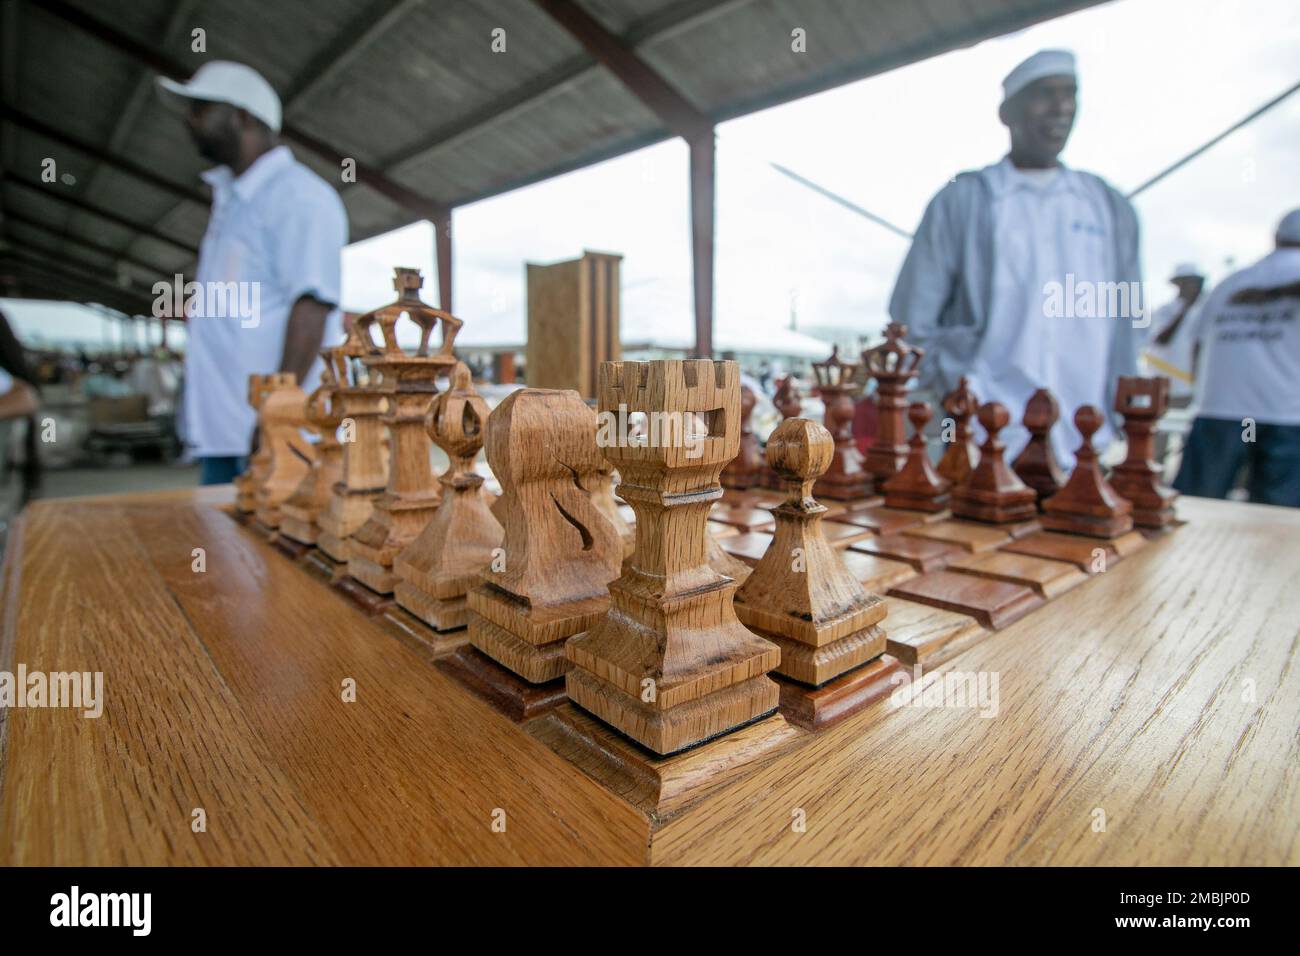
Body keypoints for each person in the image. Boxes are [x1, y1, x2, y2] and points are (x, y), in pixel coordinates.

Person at [889, 49, 1142, 463]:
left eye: (1069, 94)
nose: (1061, 108)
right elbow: (910, 320)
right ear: (1008, 112)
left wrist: (1122, 410)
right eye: (1045, 94)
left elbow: (1128, 319)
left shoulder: (1108, 207)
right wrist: (953, 392)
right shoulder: (964, 200)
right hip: (980, 438)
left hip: (1083, 440)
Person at [156, 61, 347, 485]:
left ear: (241, 116)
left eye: (201, 109)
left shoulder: (299, 197)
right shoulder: (233, 202)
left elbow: (311, 308)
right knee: (225, 548)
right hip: (226, 431)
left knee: (265, 547)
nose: (189, 121)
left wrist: (274, 418)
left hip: (271, 434)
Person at [1173, 210, 1300, 507]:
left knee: (1195, 509)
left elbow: (1197, 348)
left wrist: (1201, 395)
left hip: (1220, 411)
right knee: (1278, 525)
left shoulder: (1231, 283)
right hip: (1288, 415)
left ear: (1277, 237)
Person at [1142, 262, 1206, 405]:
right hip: (1162, 389)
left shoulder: (1202, 311)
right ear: (1179, 283)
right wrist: (1185, 309)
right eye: (1189, 282)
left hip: (1190, 390)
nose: (1193, 287)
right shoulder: (1165, 310)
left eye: (1195, 282)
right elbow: (1161, 339)